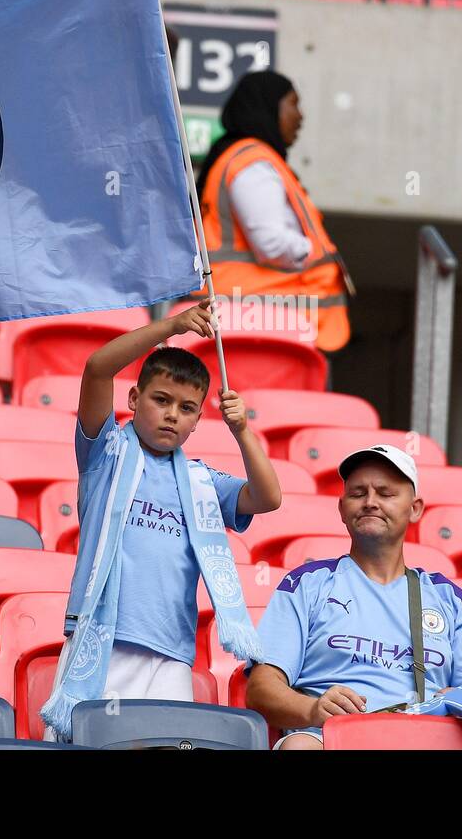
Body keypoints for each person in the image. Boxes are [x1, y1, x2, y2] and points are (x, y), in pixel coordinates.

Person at [40, 299, 282, 741]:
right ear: (134, 399)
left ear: (197, 421)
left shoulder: (203, 481)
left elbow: (268, 498)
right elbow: (97, 368)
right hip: (103, 645)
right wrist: (169, 326)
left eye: (187, 408)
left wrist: (243, 431)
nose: (172, 414)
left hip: (171, 656)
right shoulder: (104, 454)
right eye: (161, 400)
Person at [245, 444, 462, 750]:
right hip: (332, 739)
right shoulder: (306, 584)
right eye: (358, 493)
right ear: (342, 509)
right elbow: (260, 688)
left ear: (415, 508)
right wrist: (312, 710)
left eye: (385, 493)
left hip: (429, 739)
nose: (370, 502)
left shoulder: (449, 597)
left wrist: (454, 701)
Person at [194, 70, 353, 353]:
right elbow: (271, 243)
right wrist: (310, 249)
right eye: (293, 103)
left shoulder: (240, 158)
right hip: (261, 324)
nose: (300, 116)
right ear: (268, 106)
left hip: (250, 320)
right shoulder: (252, 161)